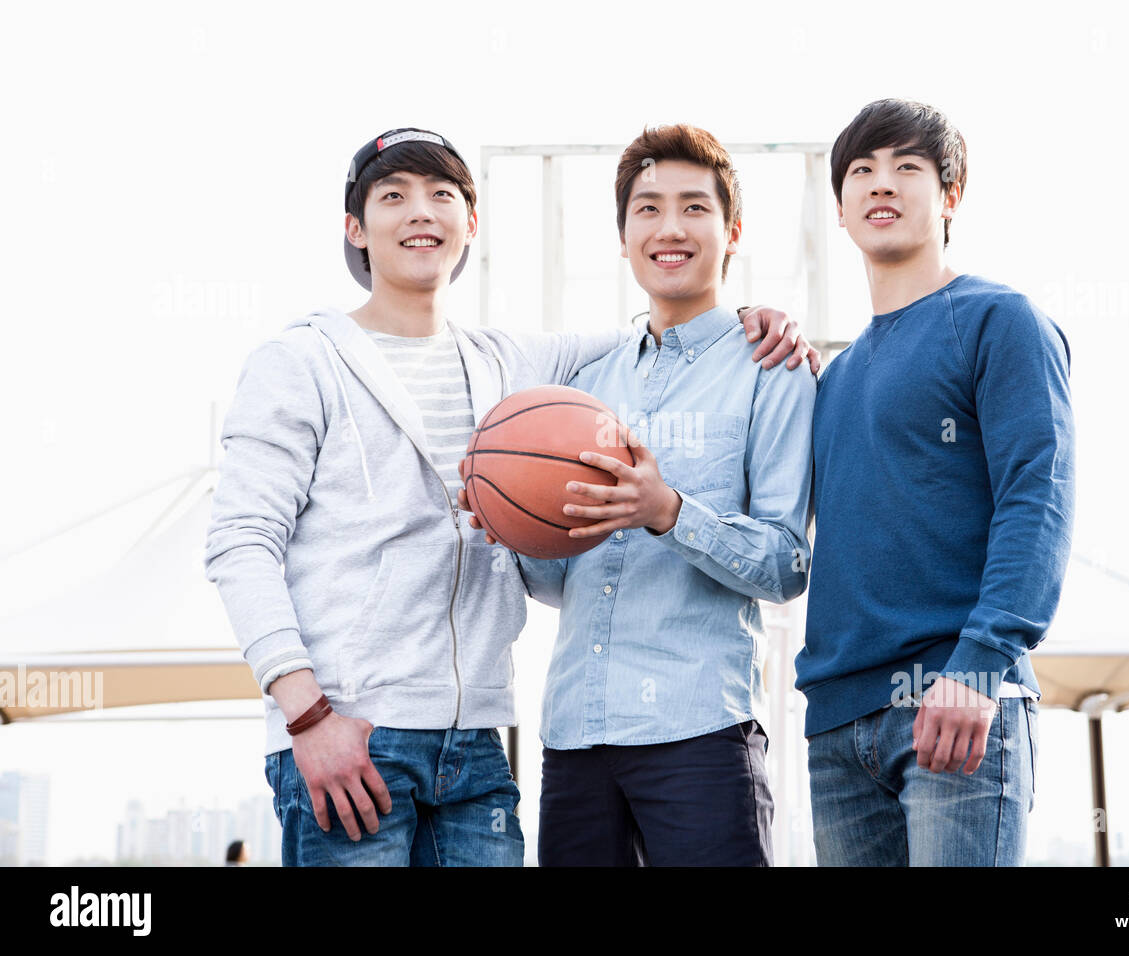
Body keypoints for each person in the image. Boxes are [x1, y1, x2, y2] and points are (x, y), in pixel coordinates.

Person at [204, 127, 816, 867]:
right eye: (393, 196)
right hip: (358, 733)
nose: (420, 212)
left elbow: (676, 336)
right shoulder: (302, 362)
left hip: (488, 748)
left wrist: (758, 321)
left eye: (443, 195)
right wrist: (305, 716)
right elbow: (240, 542)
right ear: (355, 228)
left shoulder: (520, 364)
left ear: (470, 225)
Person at [465, 124, 816, 866]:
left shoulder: (772, 367)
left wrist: (670, 514)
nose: (670, 227)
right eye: (648, 208)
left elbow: (787, 565)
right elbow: (564, 578)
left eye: (695, 207)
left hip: (700, 733)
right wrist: (513, 530)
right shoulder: (585, 384)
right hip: (574, 736)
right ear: (622, 235)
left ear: (732, 230)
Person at [796, 99, 1075, 866]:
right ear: (843, 211)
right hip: (836, 723)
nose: (881, 183)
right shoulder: (834, 377)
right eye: (862, 171)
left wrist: (981, 666)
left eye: (907, 167)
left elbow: (1038, 496)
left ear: (950, 196)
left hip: (956, 698)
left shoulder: (998, 319)